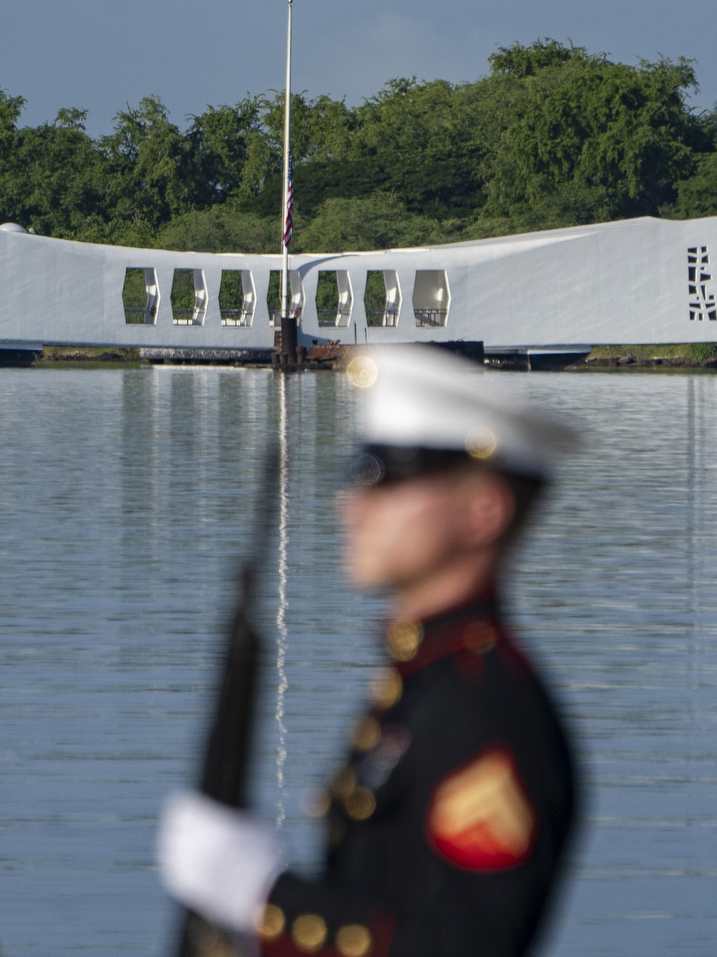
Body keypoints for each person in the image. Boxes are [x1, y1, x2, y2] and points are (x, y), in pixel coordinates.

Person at [159, 345, 581, 957]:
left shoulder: (485, 711)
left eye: (387, 477)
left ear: (482, 510)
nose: (351, 504)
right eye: (356, 474)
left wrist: (270, 899)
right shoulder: (424, 683)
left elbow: (463, 944)